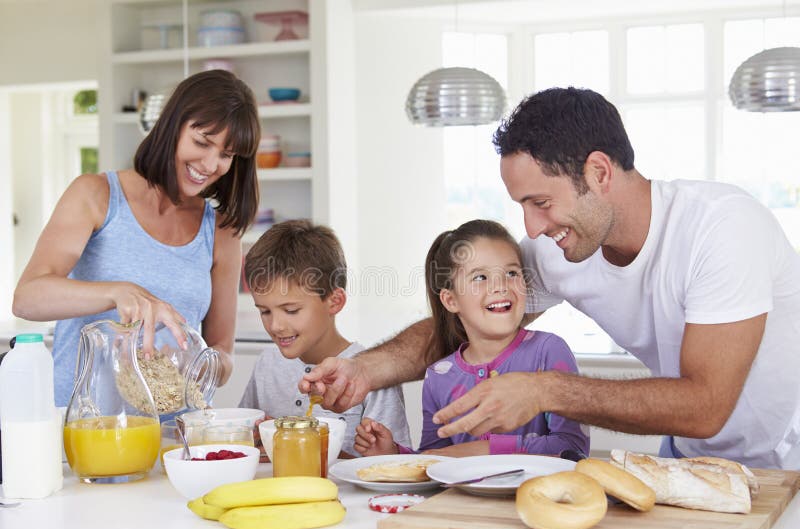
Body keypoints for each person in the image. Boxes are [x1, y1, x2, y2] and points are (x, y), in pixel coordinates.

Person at [302, 87, 800, 469]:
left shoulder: (722, 228)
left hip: (786, 456)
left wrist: (545, 390)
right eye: (523, 206)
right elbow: (468, 320)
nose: (533, 228)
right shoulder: (562, 245)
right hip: (687, 456)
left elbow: (706, 405)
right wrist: (364, 370)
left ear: (599, 173)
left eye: (540, 202)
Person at [12, 69, 261, 407]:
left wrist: (196, 365)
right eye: (202, 142)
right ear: (172, 126)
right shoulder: (96, 195)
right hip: (85, 426)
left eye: (226, 155)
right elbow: (27, 298)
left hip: (174, 433)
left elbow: (223, 353)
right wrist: (118, 292)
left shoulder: (221, 232)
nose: (210, 164)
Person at [354, 220, 589, 458]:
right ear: (451, 300)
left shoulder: (549, 351)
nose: (500, 286)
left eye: (511, 273)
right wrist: (394, 453)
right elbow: (434, 459)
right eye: (480, 277)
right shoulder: (438, 376)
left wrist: (485, 450)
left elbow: (572, 448)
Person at [238, 219, 411, 458]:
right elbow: (243, 443)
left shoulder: (372, 373)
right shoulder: (267, 365)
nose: (275, 326)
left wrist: (295, 444)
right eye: (265, 311)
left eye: (291, 310)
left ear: (334, 302)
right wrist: (257, 440)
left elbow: (395, 467)